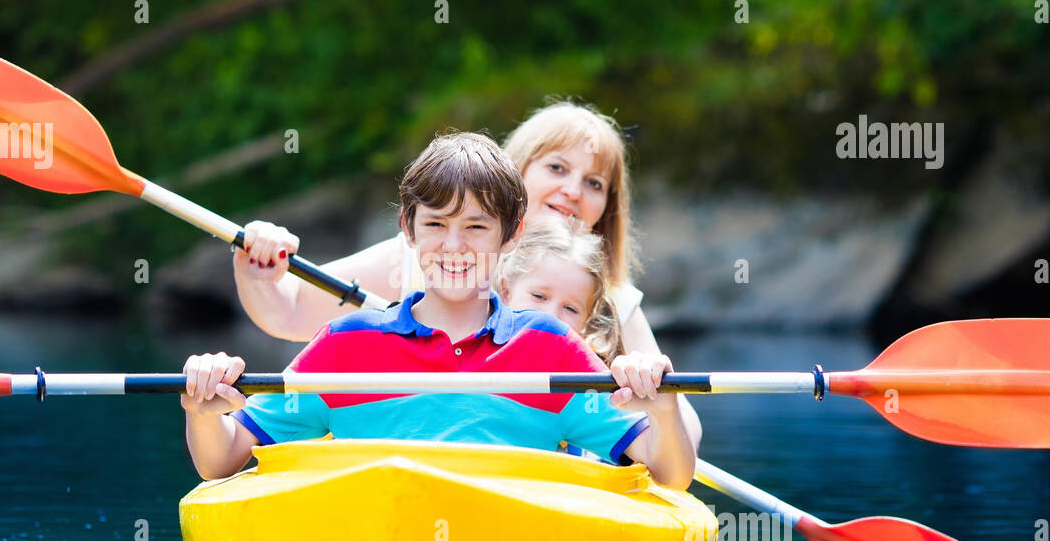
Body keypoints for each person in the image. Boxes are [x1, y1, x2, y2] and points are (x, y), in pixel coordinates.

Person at [183, 132, 697, 488]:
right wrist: (203, 409)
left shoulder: (552, 348)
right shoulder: (344, 345)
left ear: (511, 235)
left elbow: (670, 472)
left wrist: (662, 405)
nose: (454, 246)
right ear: (408, 229)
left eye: (476, 227)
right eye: (435, 225)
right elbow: (221, 461)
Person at [232, 100, 665, 355]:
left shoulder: (611, 300)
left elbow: (683, 430)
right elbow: (286, 311)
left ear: (607, 206)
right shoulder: (426, 257)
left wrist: (646, 391)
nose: (573, 190)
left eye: (594, 183)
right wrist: (258, 261)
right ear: (517, 173)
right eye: (557, 168)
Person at [494, 215, 702, 451]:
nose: (551, 316)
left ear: (586, 323)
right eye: (539, 296)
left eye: (570, 308)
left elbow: (667, 467)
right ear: (505, 291)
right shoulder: (468, 348)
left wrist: (663, 412)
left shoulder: (586, 390)